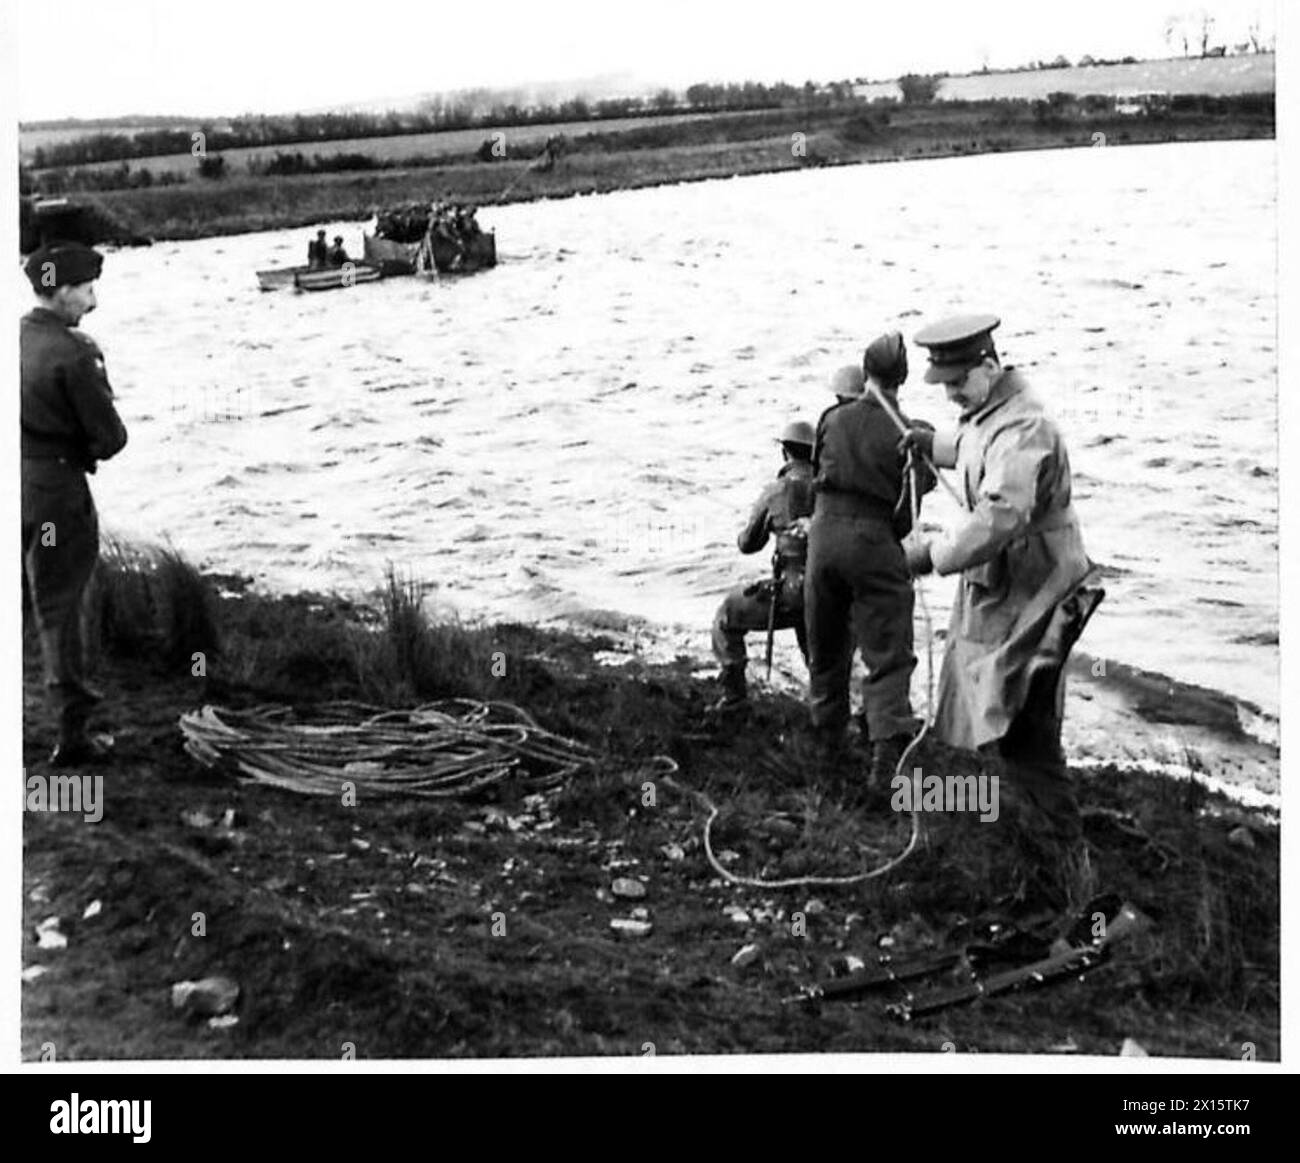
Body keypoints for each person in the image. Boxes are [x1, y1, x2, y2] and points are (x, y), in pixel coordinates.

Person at [902, 314, 1104, 907]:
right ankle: (1038, 847)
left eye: (957, 382)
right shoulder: (990, 415)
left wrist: (931, 555)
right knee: (1001, 719)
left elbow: (1000, 513)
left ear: (989, 367)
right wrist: (929, 443)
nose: (950, 393)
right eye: (943, 385)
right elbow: (970, 446)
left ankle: (1069, 873)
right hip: (1007, 594)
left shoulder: (1025, 428)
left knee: (1027, 726)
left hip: (1038, 598)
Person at [805, 338, 933, 782]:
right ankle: (885, 765)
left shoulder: (831, 418)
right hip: (873, 541)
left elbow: (819, 473)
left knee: (826, 644)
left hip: (822, 539)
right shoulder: (907, 432)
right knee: (888, 653)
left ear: (864, 372)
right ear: (903, 378)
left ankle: (826, 747)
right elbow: (907, 510)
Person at [21, 242, 129, 766]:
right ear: (61, 291)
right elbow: (110, 438)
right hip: (55, 494)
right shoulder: (75, 351)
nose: (93, 301)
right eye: (87, 290)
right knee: (61, 606)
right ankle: (72, 735)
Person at [710, 420, 816, 713]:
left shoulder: (776, 491)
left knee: (726, 617)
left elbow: (748, 544)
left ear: (785, 453)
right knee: (822, 660)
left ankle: (734, 699)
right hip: (828, 592)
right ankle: (832, 719)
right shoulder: (830, 489)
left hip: (790, 592)